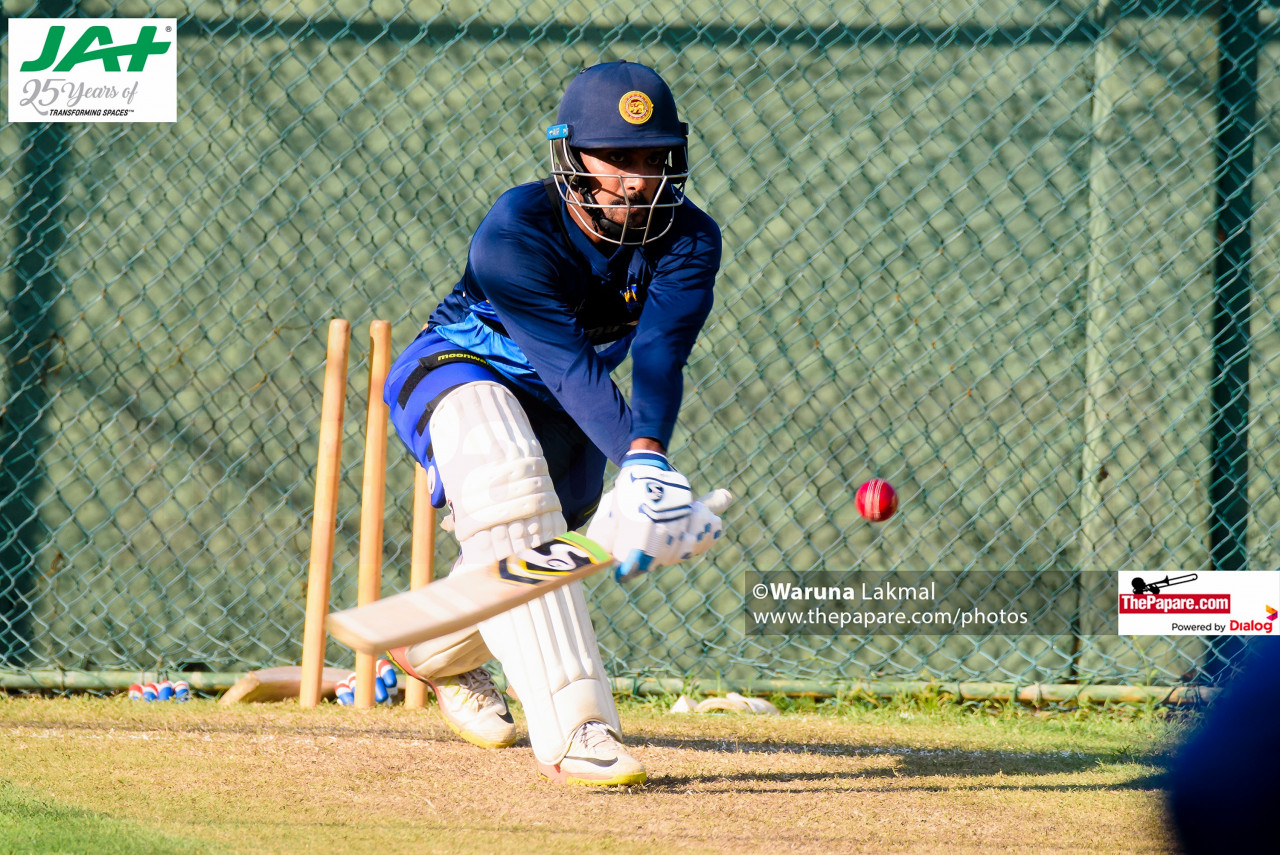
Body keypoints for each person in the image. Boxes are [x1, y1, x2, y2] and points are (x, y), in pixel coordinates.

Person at [381, 60, 727, 787]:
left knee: (539, 553)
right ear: (571, 160)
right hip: (458, 366)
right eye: (619, 159)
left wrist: (647, 461)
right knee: (512, 489)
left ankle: (433, 646)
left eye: (653, 158)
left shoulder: (690, 240)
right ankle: (579, 726)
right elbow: (570, 366)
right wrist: (639, 469)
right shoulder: (517, 228)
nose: (639, 179)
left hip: (565, 413)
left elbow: (661, 355)